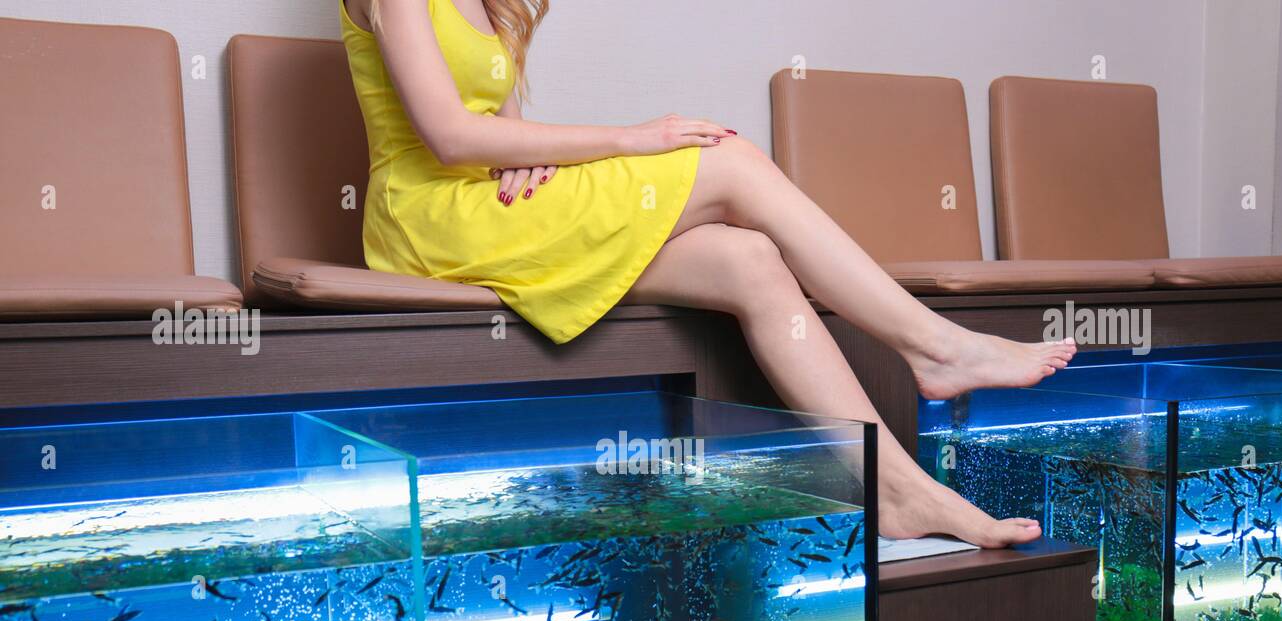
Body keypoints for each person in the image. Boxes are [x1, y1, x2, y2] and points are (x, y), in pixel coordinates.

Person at [341, 0, 1075, 546]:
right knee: (732, 164)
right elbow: (447, 136)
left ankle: (895, 487)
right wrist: (629, 141)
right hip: (428, 221)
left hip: (491, 205)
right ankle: (935, 345)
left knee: (748, 260)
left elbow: (494, 131)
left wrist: (529, 154)